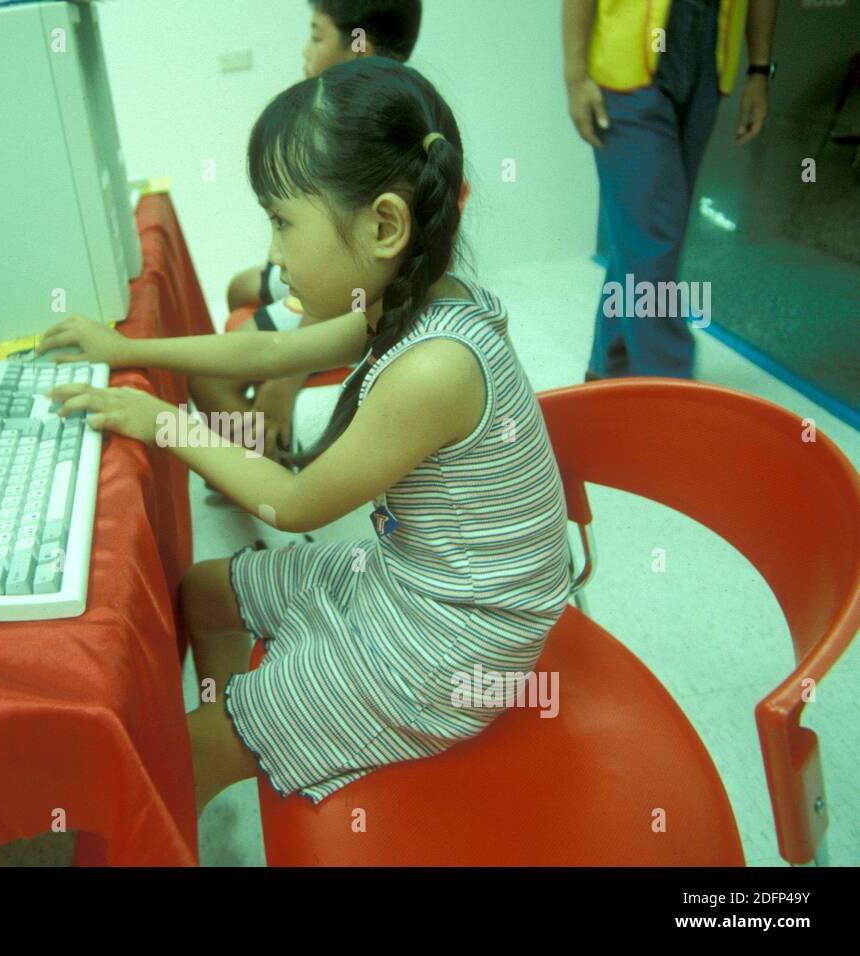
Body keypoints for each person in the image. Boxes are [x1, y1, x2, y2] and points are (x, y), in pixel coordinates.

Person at [33, 57, 572, 816]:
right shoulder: (405, 302)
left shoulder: (436, 369)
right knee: (202, 590)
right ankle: (246, 731)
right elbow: (265, 350)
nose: (275, 254)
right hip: (410, 584)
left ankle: (230, 744)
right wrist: (129, 351)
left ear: (384, 226)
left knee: (172, 757)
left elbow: (291, 504)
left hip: (453, 650)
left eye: (283, 222)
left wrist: (162, 421)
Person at [196, 0, 424, 462]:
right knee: (240, 288)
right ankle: (257, 449)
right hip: (348, 287)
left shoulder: (365, 133)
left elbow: (347, 277)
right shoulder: (390, 111)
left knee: (206, 377)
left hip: (349, 297)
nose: (305, 51)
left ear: (360, 48)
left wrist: (284, 380)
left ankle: (263, 466)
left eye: (317, 36)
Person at [563, 0, 778, 380]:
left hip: (707, 66)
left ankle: (608, 371)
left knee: (641, 238)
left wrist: (760, 71)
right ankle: (669, 386)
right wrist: (575, 75)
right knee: (654, 238)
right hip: (625, 72)